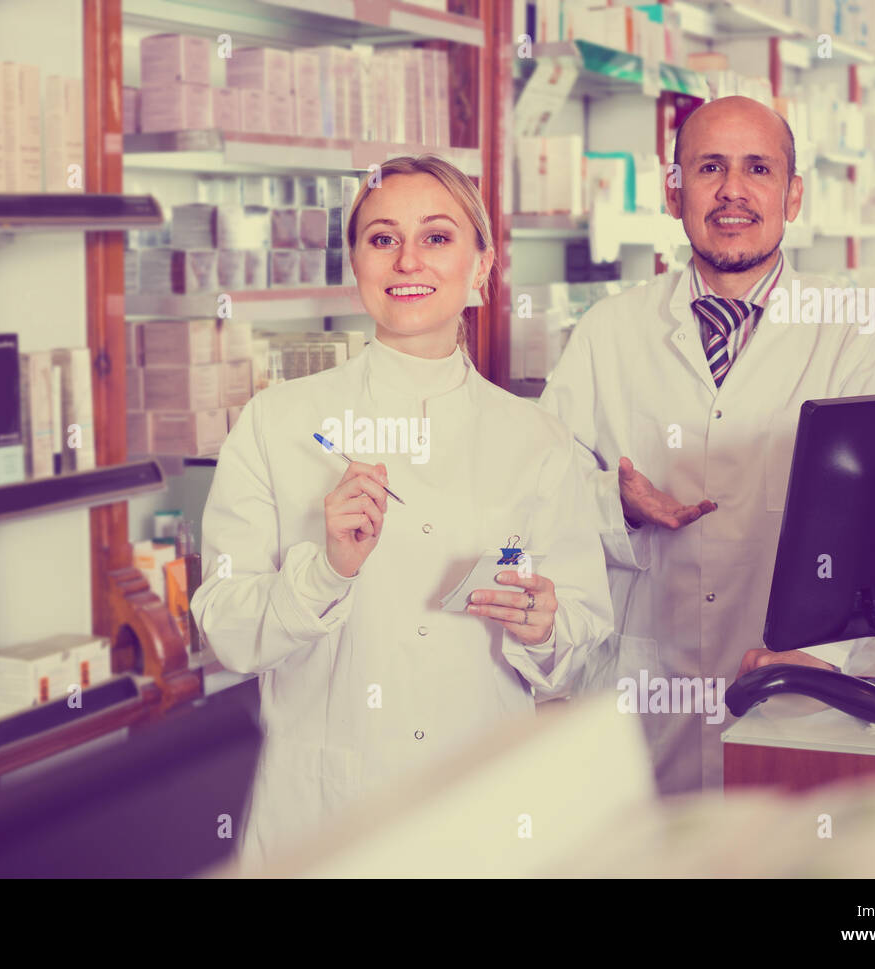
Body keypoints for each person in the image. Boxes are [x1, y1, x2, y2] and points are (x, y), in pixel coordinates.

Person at [191, 155, 615, 866]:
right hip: (322, 813)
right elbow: (226, 629)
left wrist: (545, 627)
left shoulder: (536, 437)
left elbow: (579, 635)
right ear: (355, 263)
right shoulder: (279, 421)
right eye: (382, 238)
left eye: (438, 237)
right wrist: (324, 571)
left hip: (479, 808)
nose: (407, 258)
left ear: (482, 267)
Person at [539, 96, 875, 795]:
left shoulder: (858, 329)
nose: (732, 191)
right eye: (709, 167)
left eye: (758, 169)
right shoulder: (607, 332)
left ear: (792, 194)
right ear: (673, 190)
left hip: (801, 691)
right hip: (646, 696)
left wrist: (842, 654)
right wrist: (615, 502)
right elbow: (540, 497)